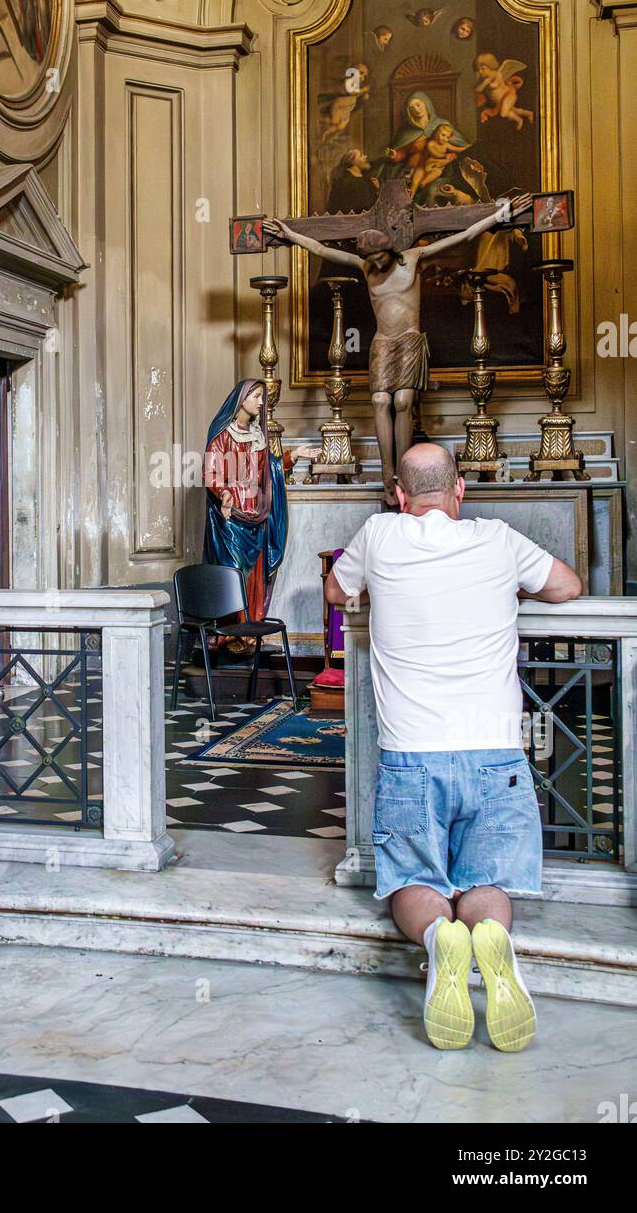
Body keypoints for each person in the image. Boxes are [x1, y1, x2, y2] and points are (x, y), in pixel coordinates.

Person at [324, 443, 581, 1052]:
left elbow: (336, 594)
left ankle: (440, 940)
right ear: (459, 490)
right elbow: (566, 586)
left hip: (413, 757)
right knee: (486, 883)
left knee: (414, 881)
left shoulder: (380, 534)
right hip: (497, 755)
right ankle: (490, 936)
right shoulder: (496, 539)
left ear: (399, 494)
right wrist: (507, 592)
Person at [264, 193, 532, 506]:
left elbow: (465, 235)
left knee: (403, 400)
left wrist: (500, 216)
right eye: (371, 260)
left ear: (389, 249)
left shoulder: (413, 259)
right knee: (379, 400)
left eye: (379, 258)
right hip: (383, 342)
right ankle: (386, 474)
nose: (375, 265)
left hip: (409, 339)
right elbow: (323, 249)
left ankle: (404, 473)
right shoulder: (366, 267)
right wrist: (291, 235)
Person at [204, 380, 317, 626]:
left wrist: (293, 456)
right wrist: (224, 493)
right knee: (233, 572)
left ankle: (248, 633)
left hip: (257, 516)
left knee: (254, 578)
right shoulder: (223, 436)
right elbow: (211, 472)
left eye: (261, 397)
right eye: (256, 396)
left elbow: (269, 469)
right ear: (242, 399)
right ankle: (228, 634)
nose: (261, 402)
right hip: (232, 519)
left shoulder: (257, 436)